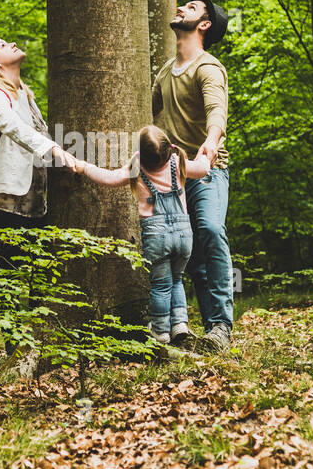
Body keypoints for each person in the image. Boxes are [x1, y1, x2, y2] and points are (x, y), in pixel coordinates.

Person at [0, 35, 75, 354]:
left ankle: (40, 342)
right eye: (2, 44)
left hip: (34, 198)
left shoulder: (24, 94)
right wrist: (55, 149)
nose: (11, 43)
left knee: (43, 270)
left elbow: (38, 131)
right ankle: (15, 352)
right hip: (2, 199)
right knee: (9, 277)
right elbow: (15, 128)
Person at [75, 125, 211, 348]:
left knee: (160, 284)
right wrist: (206, 154)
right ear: (168, 148)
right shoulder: (178, 162)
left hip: (157, 236)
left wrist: (84, 167)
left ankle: (159, 332)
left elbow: (109, 177)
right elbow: (204, 169)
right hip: (184, 235)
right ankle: (180, 326)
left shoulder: (136, 168)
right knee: (177, 279)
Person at [151, 0, 234, 349]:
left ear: (204, 25)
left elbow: (217, 110)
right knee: (181, 250)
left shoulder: (208, 68)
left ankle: (220, 327)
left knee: (210, 230)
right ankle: (179, 328)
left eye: (193, 7)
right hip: (171, 178)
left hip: (207, 170)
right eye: (182, 4)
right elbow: (147, 116)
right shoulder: (164, 73)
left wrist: (211, 142)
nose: (181, 7)